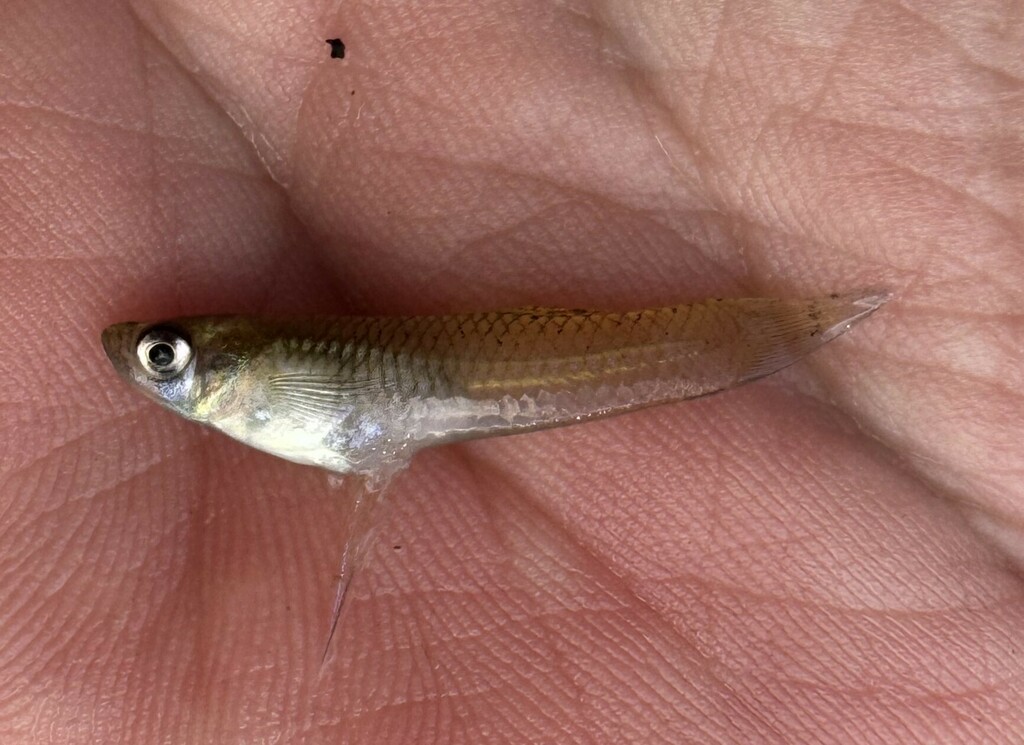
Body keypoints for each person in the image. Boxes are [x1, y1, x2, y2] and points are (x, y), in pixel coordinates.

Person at [1, 1, 1022, 742]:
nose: (153, 362)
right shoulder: (257, 383)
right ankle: (772, 333)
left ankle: (780, 331)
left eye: (165, 356)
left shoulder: (254, 376)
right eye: (161, 356)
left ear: (220, 356)